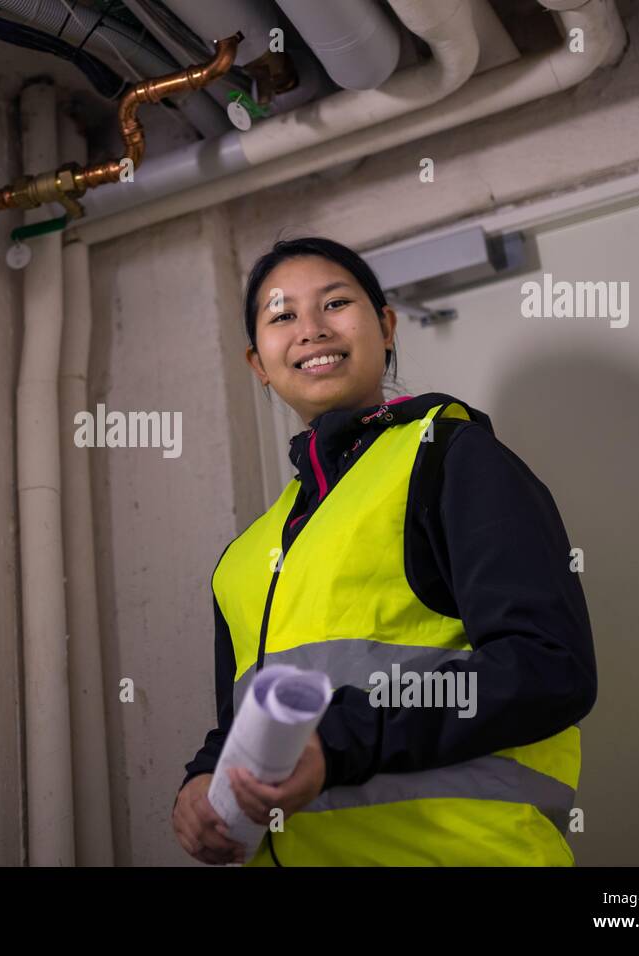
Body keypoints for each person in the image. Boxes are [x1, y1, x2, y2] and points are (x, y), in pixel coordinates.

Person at [170, 236, 597, 866]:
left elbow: (547, 667)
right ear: (258, 362)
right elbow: (244, 726)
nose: (312, 329)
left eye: (336, 303)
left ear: (386, 326)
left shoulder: (452, 460)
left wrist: (336, 742)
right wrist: (203, 777)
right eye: (282, 315)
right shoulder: (243, 559)